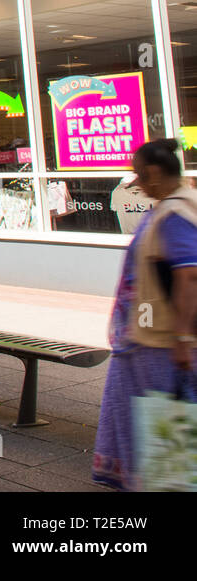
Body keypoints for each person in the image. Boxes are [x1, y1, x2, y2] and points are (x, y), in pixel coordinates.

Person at [92, 139, 197, 490]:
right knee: (159, 410)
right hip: (151, 331)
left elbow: (188, 275)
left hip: (162, 340)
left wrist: (180, 338)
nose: (135, 182)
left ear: (153, 173)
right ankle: (162, 474)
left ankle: (169, 478)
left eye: (138, 173)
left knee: (167, 409)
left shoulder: (173, 215)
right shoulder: (177, 205)